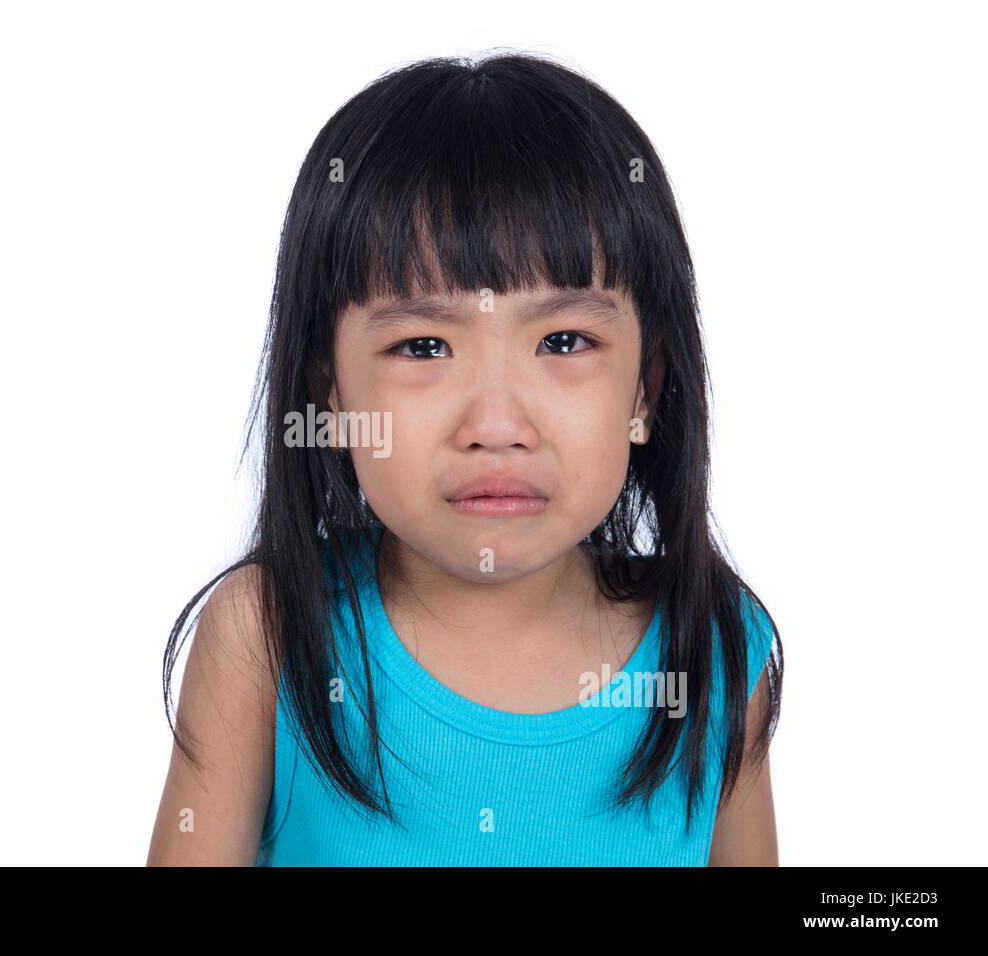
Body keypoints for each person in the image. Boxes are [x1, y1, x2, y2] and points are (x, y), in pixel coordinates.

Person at [148, 51, 783, 866]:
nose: (494, 424)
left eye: (563, 340)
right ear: (330, 396)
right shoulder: (266, 637)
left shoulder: (717, 651)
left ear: (645, 389)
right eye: (422, 345)